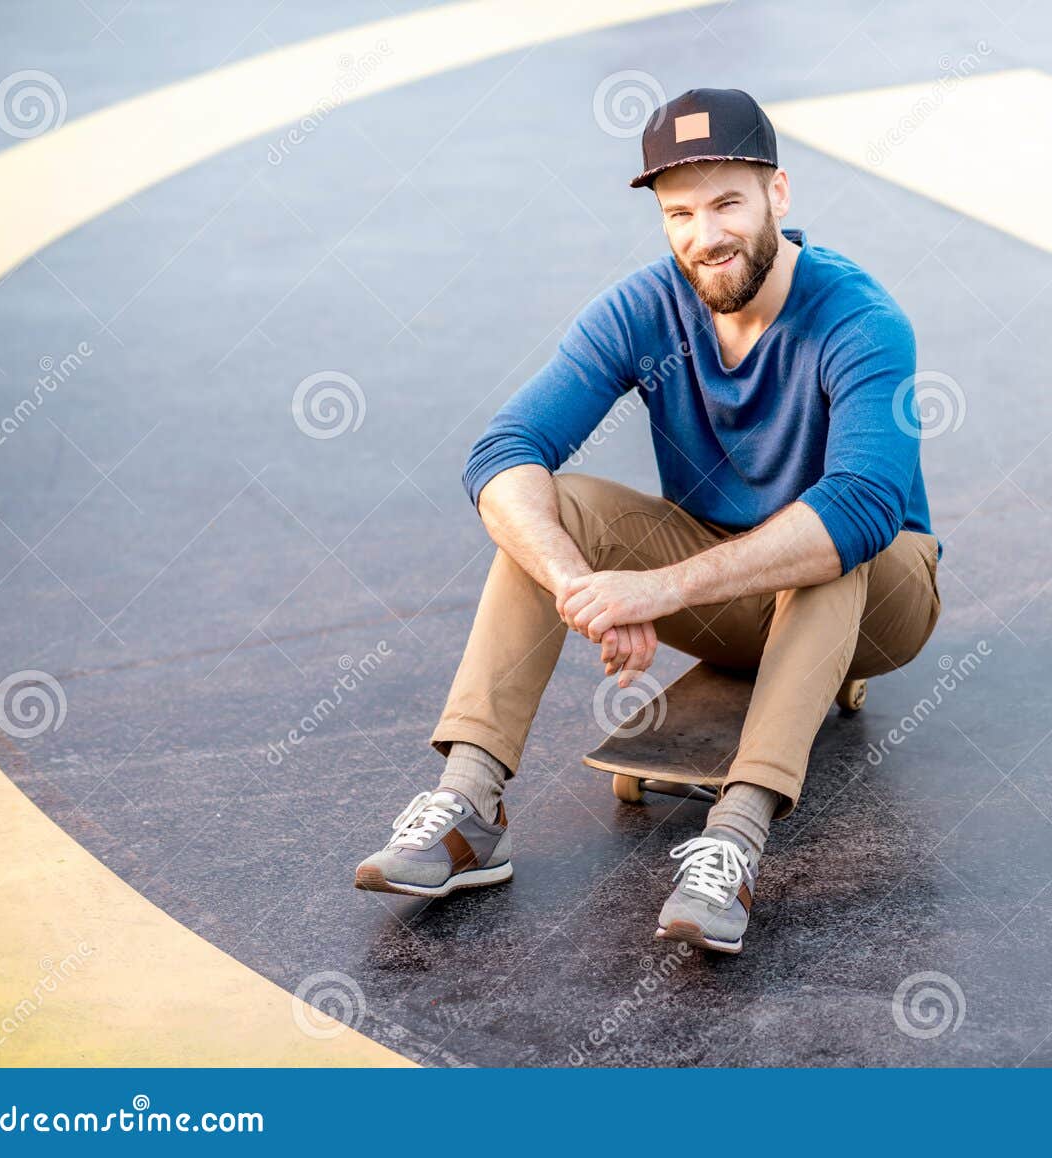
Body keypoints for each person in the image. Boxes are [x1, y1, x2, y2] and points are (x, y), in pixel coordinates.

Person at [355, 87, 942, 955]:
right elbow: (505, 448)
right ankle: (470, 805)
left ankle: (736, 842)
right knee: (547, 504)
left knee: (832, 540)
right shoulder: (646, 307)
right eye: (680, 213)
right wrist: (581, 587)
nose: (707, 235)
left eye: (728, 203)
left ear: (778, 194)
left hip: (877, 600)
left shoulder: (860, 319)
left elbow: (861, 505)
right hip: (731, 592)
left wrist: (656, 590)